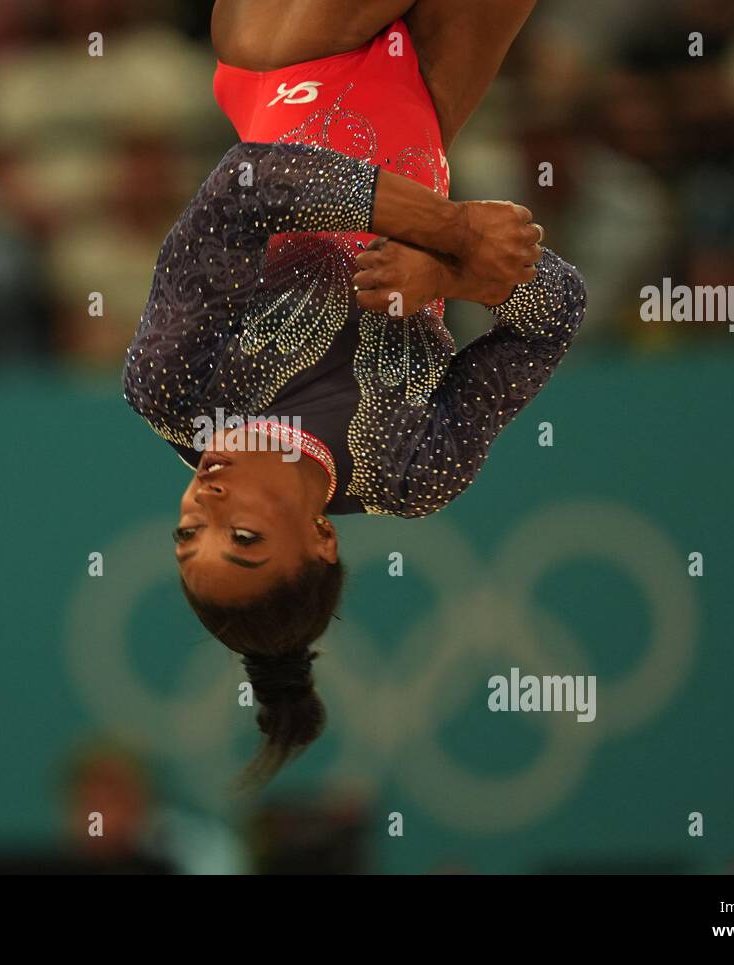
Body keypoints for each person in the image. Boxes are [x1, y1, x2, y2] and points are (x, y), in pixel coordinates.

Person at [123, 0, 587, 786]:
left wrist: (454, 238)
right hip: (430, 99)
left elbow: (247, 182)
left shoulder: (176, 393)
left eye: (184, 538)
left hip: (286, 54)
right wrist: (444, 276)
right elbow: (554, 315)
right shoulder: (408, 471)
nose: (202, 511)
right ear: (321, 541)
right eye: (240, 539)